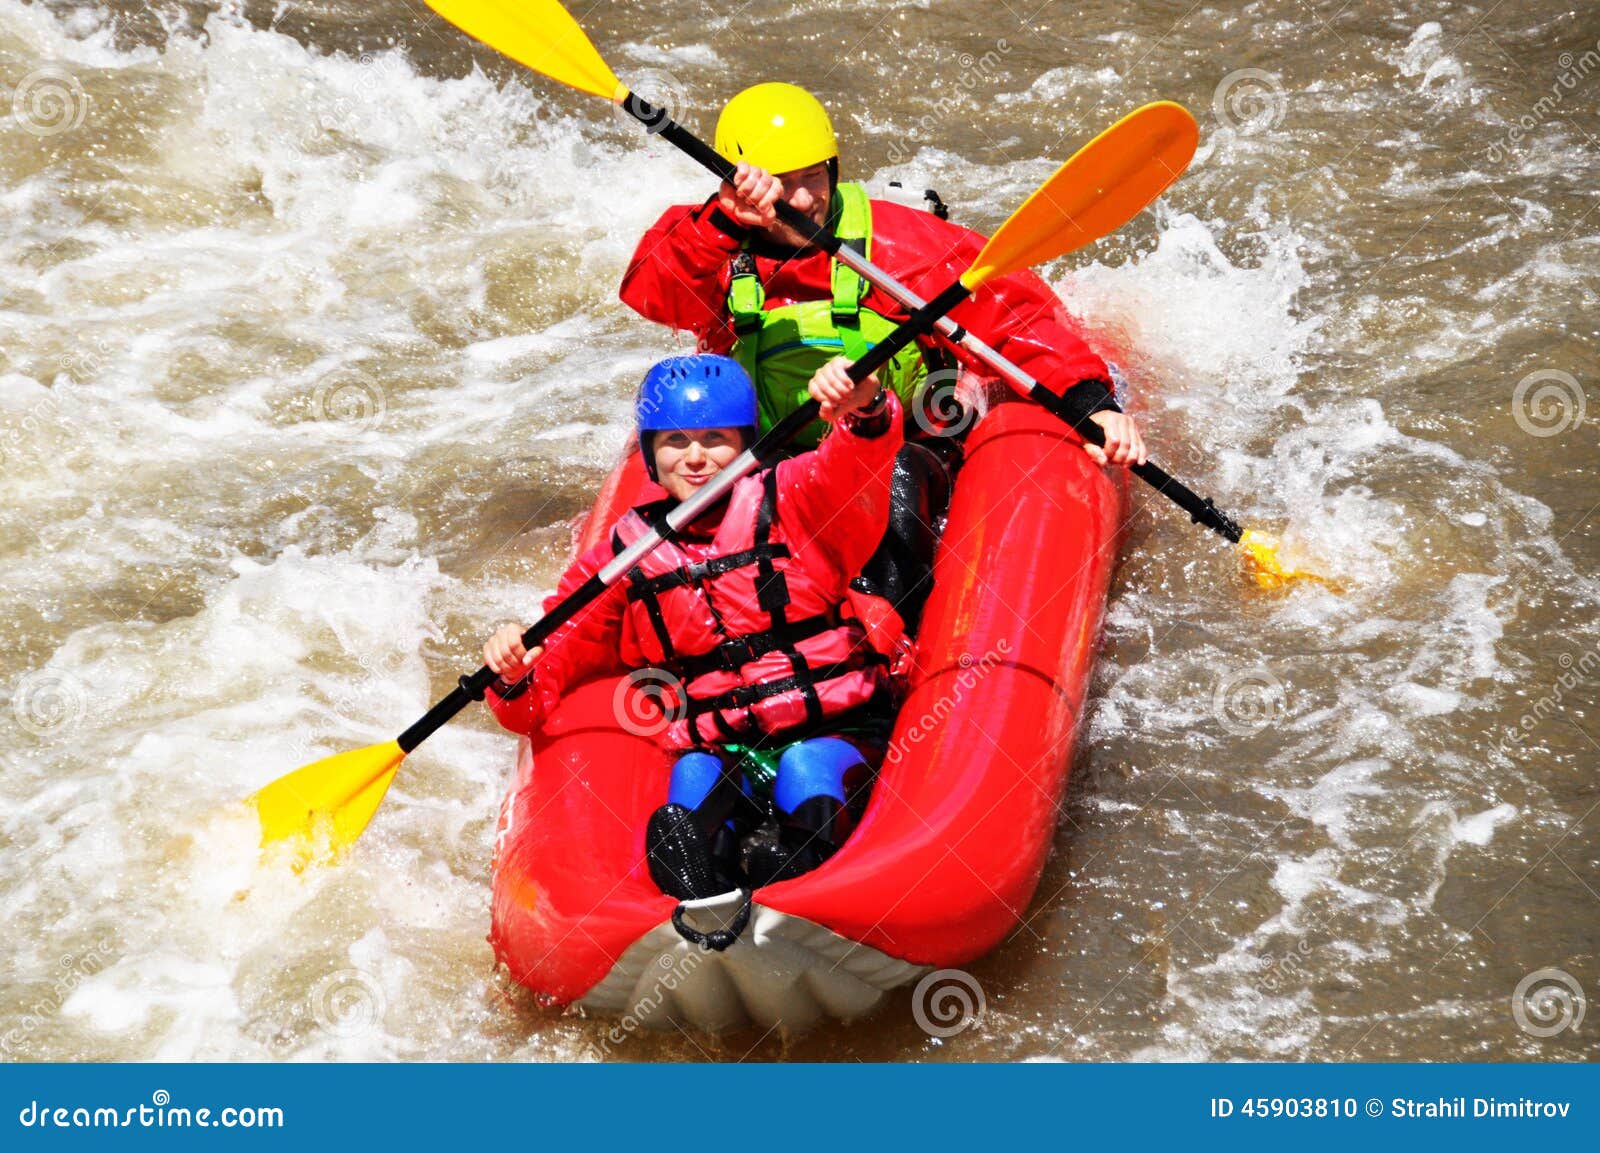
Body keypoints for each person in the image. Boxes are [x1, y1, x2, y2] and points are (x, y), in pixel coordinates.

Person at [619, 82, 1148, 631]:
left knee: (895, 480)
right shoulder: (708, 241)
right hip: (770, 452)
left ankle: (889, 632)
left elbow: (1015, 319)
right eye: (781, 183)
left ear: (833, 170)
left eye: (812, 177)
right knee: (744, 517)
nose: (800, 201)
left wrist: (1091, 402)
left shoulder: (902, 243)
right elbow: (652, 296)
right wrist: (723, 224)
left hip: (904, 446)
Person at [481, 354, 902, 901]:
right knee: (694, 781)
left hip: (837, 725)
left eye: (715, 439)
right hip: (728, 744)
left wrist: (864, 407)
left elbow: (854, 465)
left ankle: (797, 877)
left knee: (805, 767)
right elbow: (553, 664)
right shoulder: (623, 557)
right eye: (675, 441)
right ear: (651, 457)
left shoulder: (794, 495)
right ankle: (707, 892)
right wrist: (513, 673)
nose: (696, 457)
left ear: (747, 444)